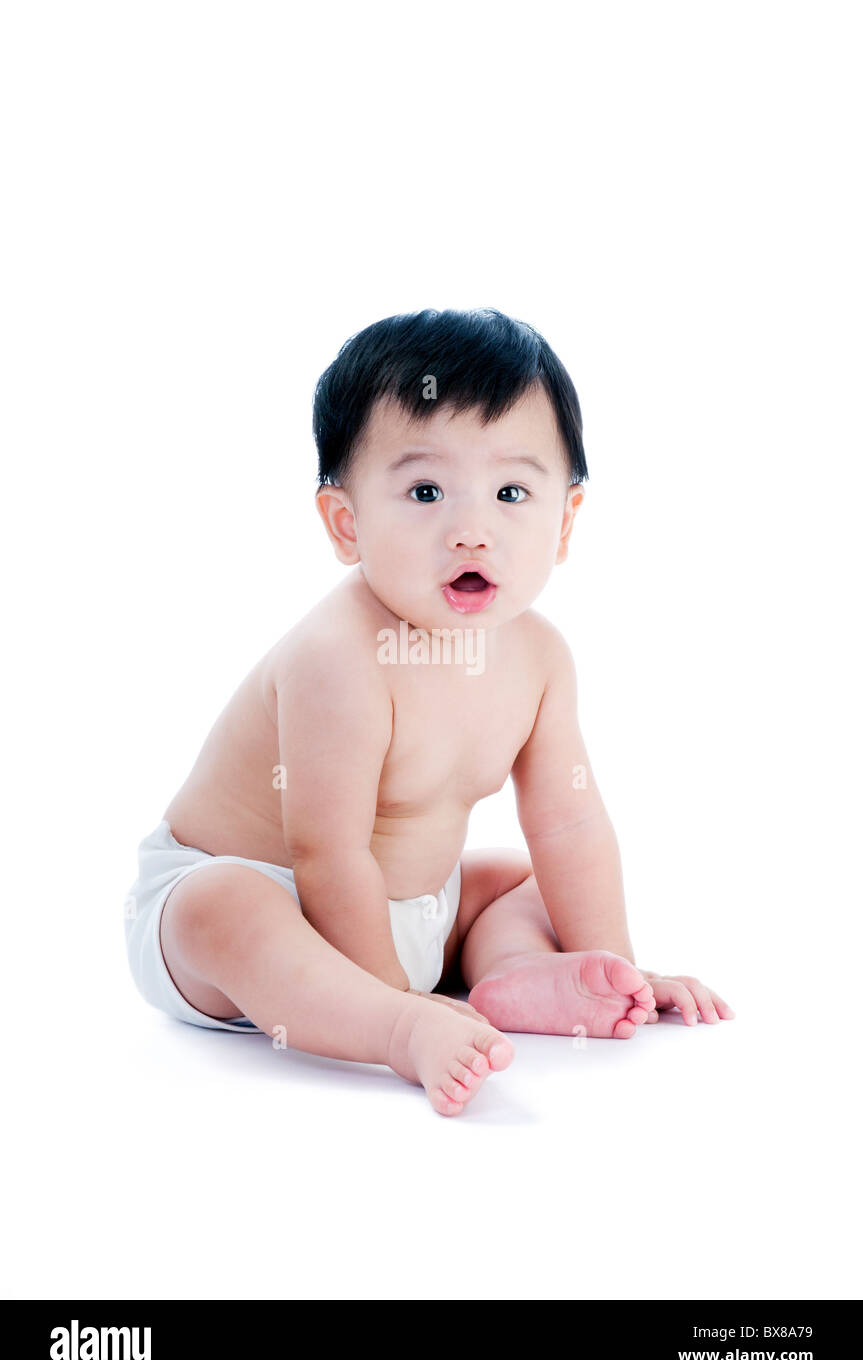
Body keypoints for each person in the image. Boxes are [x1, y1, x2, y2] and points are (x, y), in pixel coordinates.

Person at [124, 307, 733, 1117]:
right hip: (257, 920)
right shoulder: (337, 659)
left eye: (511, 491)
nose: (471, 530)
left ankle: (512, 971)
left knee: (517, 872)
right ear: (347, 524)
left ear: (564, 523)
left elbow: (570, 827)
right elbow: (325, 851)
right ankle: (388, 1026)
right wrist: (392, 999)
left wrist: (616, 961)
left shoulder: (540, 658)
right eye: (424, 491)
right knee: (224, 905)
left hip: (411, 912)